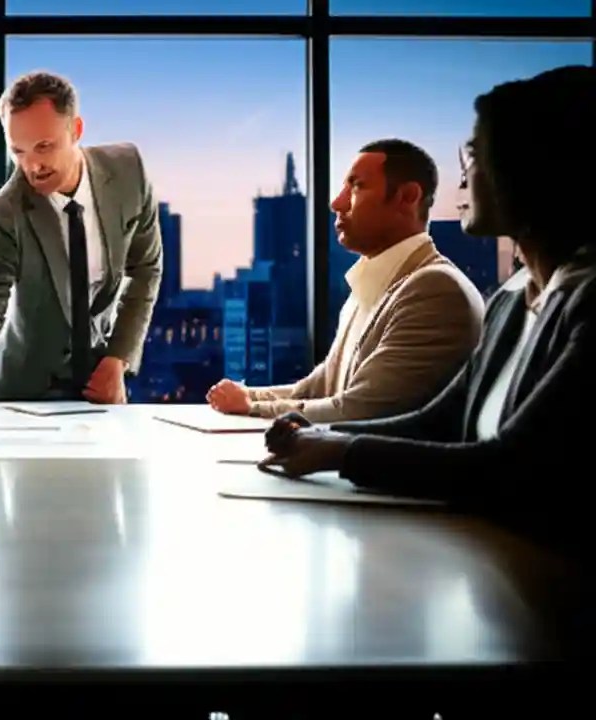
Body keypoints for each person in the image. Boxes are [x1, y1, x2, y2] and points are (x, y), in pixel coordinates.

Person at [262, 65, 596, 555]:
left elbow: (513, 466)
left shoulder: (589, 302)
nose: (462, 174)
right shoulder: (512, 299)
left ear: (534, 167)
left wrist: (343, 451)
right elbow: (440, 420)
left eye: (474, 153)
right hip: (486, 553)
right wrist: (322, 435)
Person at [0, 70, 163, 432]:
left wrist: (118, 357)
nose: (32, 166)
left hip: (100, 391)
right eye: (18, 151)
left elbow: (146, 269)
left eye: (44, 146)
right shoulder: (3, 214)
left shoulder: (128, 170)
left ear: (76, 130)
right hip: (18, 398)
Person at [207, 139, 484, 423]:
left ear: (407, 197)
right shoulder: (370, 288)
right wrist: (249, 396)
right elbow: (318, 388)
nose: (336, 203)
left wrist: (252, 408)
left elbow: (359, 409)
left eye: (357, 187)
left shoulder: (435, 290)